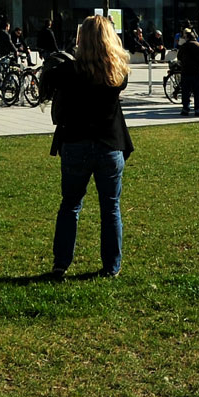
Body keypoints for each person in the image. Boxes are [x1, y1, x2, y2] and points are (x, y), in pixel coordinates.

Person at [40, 16, 133, 279]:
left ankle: (61, 262)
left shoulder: (70, 70)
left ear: (82, 38)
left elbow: (53, 74)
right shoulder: (118, 71)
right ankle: (111, 265)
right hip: (109, 143)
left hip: (76, 142)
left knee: (70, 205)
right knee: (110, 207)